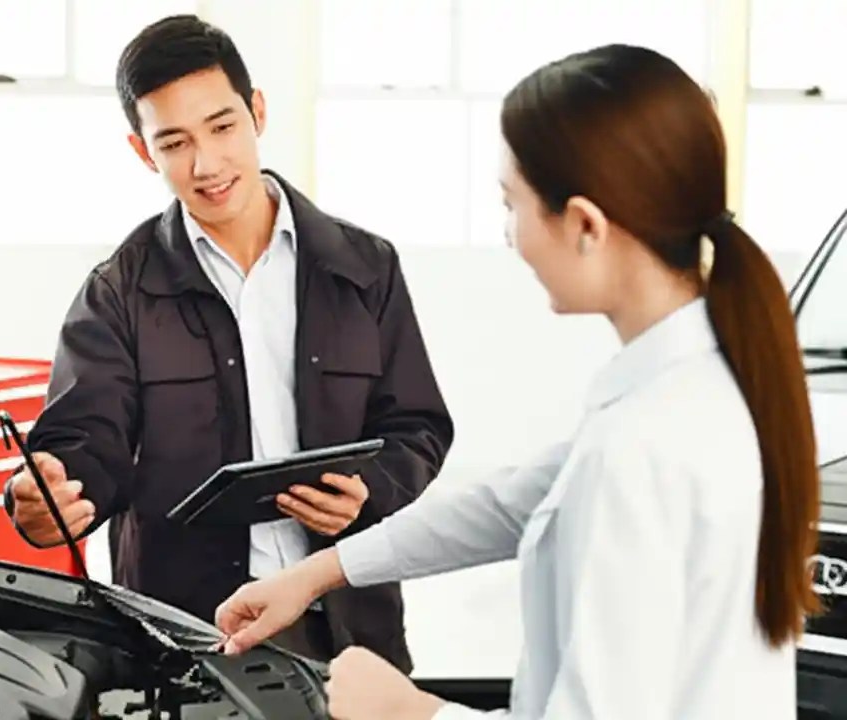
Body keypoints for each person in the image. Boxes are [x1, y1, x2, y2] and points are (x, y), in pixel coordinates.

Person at [213, 43, 821, 720]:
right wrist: (316, 573)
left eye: (514, 204)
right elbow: (510, 505)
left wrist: (407, 710)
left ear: (585, 224)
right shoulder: (706, 387)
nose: (511, 236)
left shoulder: (642, 445)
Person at [0, 14, 454, 670]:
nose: (206, 165)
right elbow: (82, 443)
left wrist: (372, 490)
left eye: (222, 127)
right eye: (174, 143)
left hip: (349, 626)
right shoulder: (118, 290)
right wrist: (52, 498)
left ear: (257, 112)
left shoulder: (365, 267)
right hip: (187, 639)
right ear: (141, 150)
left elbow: (417, 425)